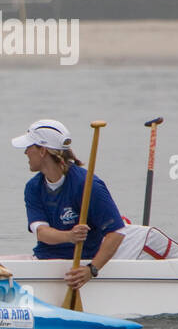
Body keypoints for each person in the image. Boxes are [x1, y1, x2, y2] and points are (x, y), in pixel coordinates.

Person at [12, 119, 123, 289]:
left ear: (42, 151)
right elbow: (41, 233)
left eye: (29, 146)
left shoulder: (87, 185)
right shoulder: (33, 187)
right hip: (45, 262)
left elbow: (116, 233)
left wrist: (91, 270)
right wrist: (69, 236)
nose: (25, 152)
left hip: (79, 265)